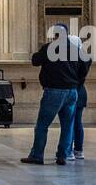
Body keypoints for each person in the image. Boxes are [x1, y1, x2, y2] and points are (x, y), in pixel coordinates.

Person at [22, 22, 90, 167]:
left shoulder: (49, 48)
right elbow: (87, 63)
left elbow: (35, 60)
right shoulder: (75, 49)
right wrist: (78, 80)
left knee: (42, 124)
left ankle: (37, 155)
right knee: (67, 125)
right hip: (72, 91)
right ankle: (62, 156)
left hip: (53, 91)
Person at [66, 82, 88, 161]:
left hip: (72, 91)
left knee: (70, 123)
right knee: (77, 122)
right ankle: (78, 150)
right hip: (81, 91)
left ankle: (68, 151)